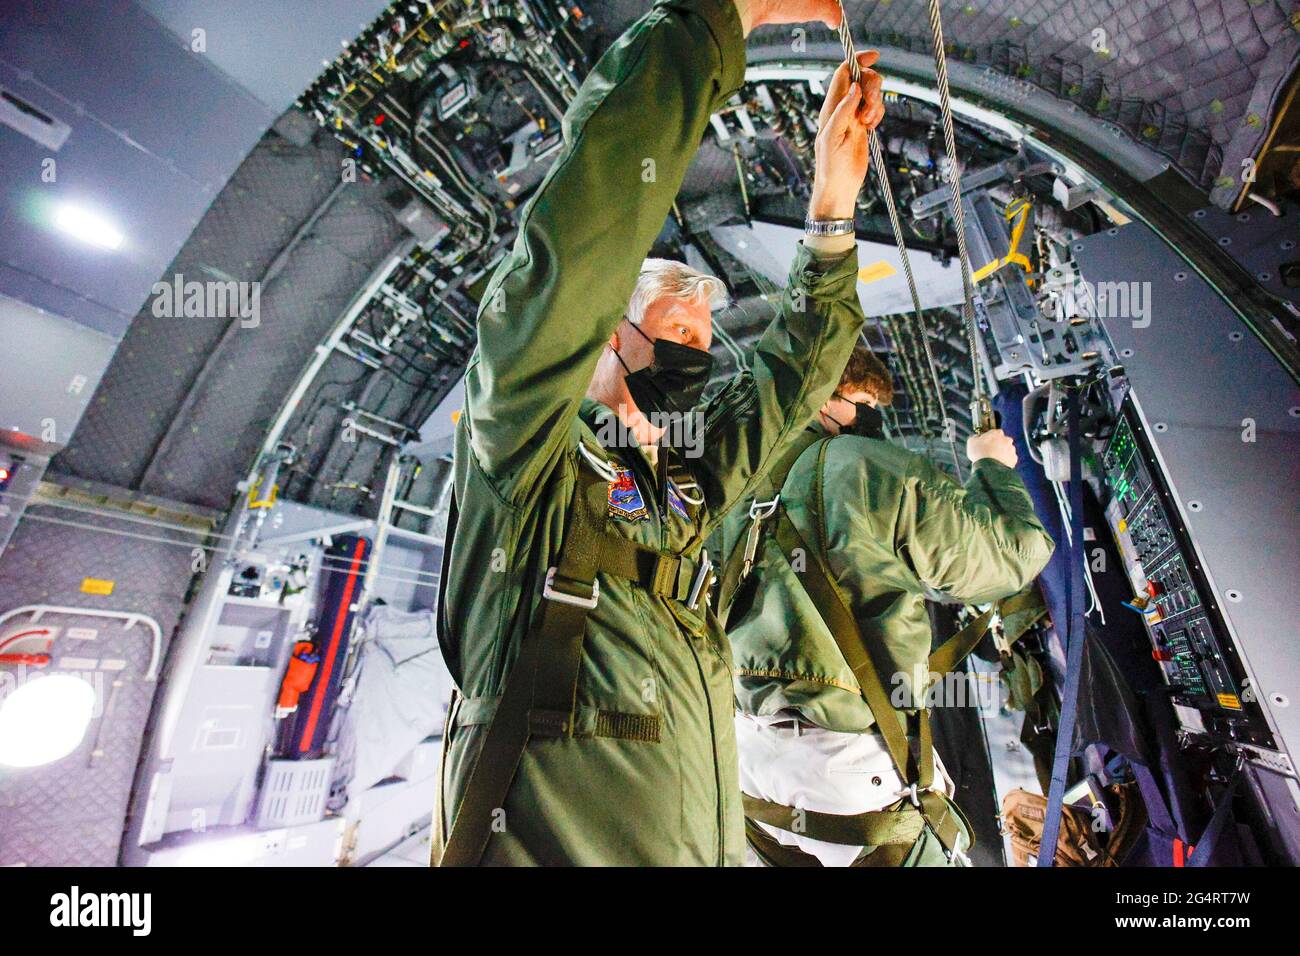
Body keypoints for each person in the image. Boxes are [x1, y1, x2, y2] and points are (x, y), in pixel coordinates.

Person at [434, 0, 885, 865]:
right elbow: (577, 246)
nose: (700, 357)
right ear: (610, 330)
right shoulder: (524, 460)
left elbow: (793, 384)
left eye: (706, 343)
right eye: (680, 332)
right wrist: (712, 26)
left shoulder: (676, 493)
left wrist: (832, 205)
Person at [717, 344, 1056, 866]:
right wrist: (992, 467)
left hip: (749, 770)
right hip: (846, 772)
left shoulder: (728, 470)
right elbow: (1013, 554)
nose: (870, 419)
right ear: (826, 398)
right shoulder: (855, 465)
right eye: (863, 402)